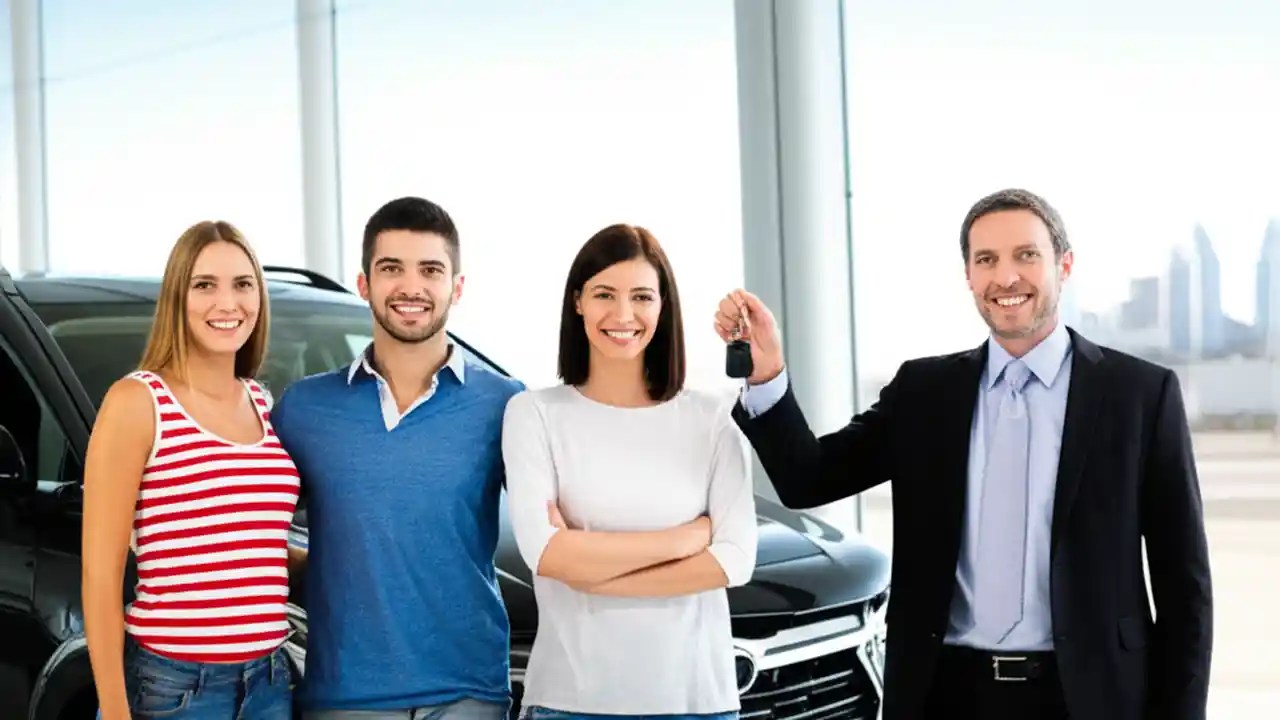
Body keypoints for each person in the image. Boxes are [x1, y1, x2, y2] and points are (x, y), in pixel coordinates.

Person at [714, 188, 1213, 720]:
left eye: (1026, 255)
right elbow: (806, 479)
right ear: (969, 276)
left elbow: (1185, 590)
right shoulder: (924, 392)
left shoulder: (1139, 395)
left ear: (1063, 265)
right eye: (986, 260)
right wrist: (766, 375)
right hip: (947, 696)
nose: (1006, 277)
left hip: (1092, 699)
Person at [270, 197, 523, 720]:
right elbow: (250, 527)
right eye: (391, 269)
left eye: (430, 270)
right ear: (364, 284)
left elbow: (563, 525)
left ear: (456, 286)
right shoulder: (303, 409)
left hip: (469, 694)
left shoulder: (505, 404)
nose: (411, 287)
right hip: (343, 697)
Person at [502, 223, 757, 720]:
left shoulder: (713, 417)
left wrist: (592, 573)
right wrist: (686, 539)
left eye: (642, 296)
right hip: (569, 703)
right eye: (604, 294)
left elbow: (734, 561)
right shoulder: (533, 413)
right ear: (577, 302)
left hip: (697, 703)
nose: (623, 315)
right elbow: (545, 552)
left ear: (664, 306)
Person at [82, 221, 299, 720]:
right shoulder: (138, 402)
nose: (228, 303)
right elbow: (100, 572)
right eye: (205, 285)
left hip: (269, 682)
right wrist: (114, 709)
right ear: (178, 297)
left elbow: (247, 537)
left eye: (243, 284)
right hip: (172, 687)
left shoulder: (263, 404)